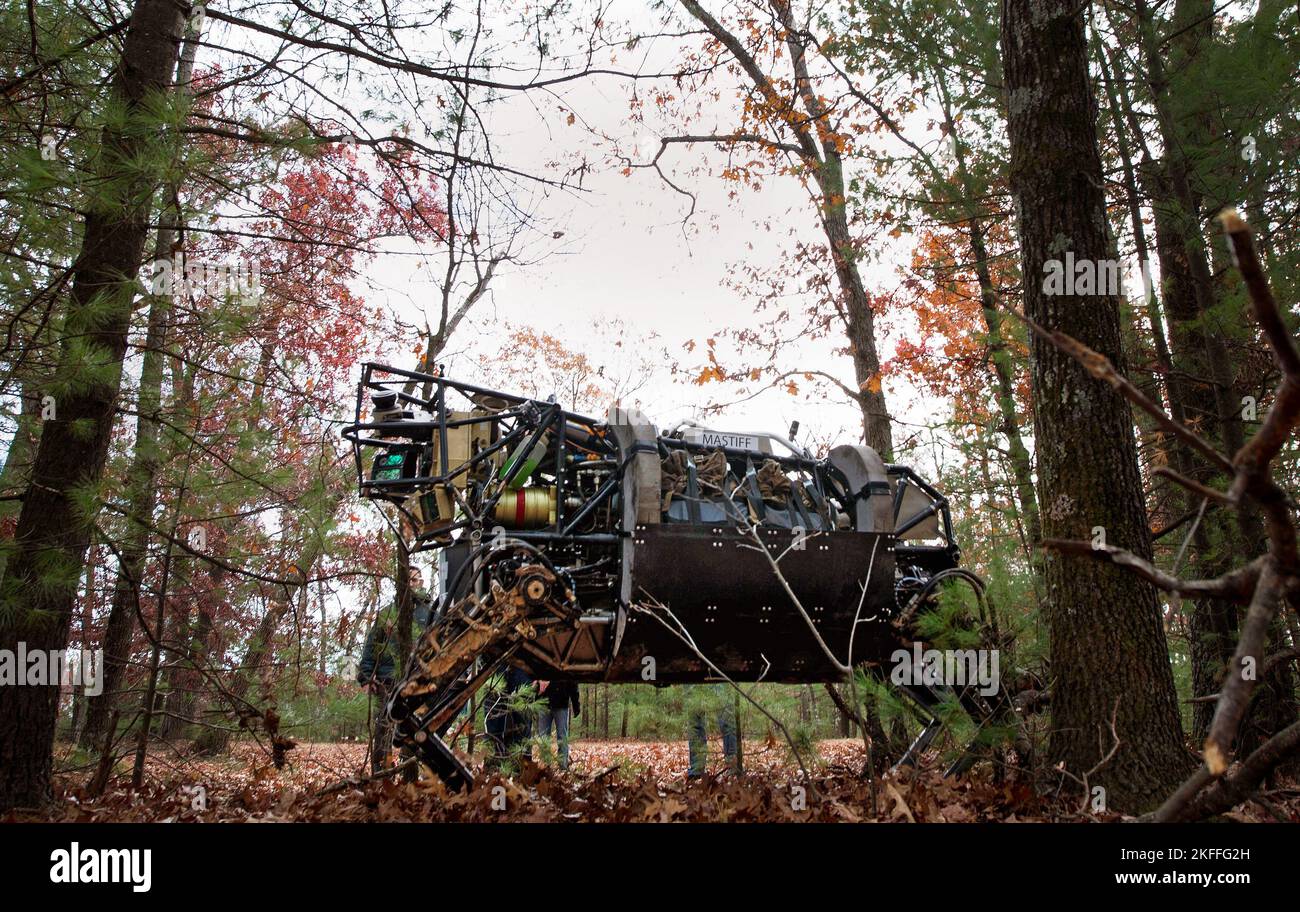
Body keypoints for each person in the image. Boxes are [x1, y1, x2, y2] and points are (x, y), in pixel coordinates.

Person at [356, 567, 433, 773]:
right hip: (387, 680)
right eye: (408, 580)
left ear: (421, 582)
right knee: (384, 728)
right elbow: (372, 646)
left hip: (419, 680)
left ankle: (410, 775)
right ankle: (380, 774)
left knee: (414, 730)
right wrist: (365, 677)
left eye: (416, 580)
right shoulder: (387, 612)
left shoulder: (431, 612)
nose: (412, 583)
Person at [484, 665, 535, 771]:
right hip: (495, 665)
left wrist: (543, 675)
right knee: (492, 725)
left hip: (525, 666)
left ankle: (522, 772)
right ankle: (492, 771)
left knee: (523, 726)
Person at [686, 683, 740, 778]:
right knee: (695, 720)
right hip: (692, 672)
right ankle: (696, 771)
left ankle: (733, 767)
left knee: (726, 716)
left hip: (721, 671)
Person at [535, 679, 581, 770]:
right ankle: (545, 767)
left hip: (561, 703)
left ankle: (563, 766)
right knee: (543, 737)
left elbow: (572, 682)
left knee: (562, 736)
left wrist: (576, 705)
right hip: (543, 703)